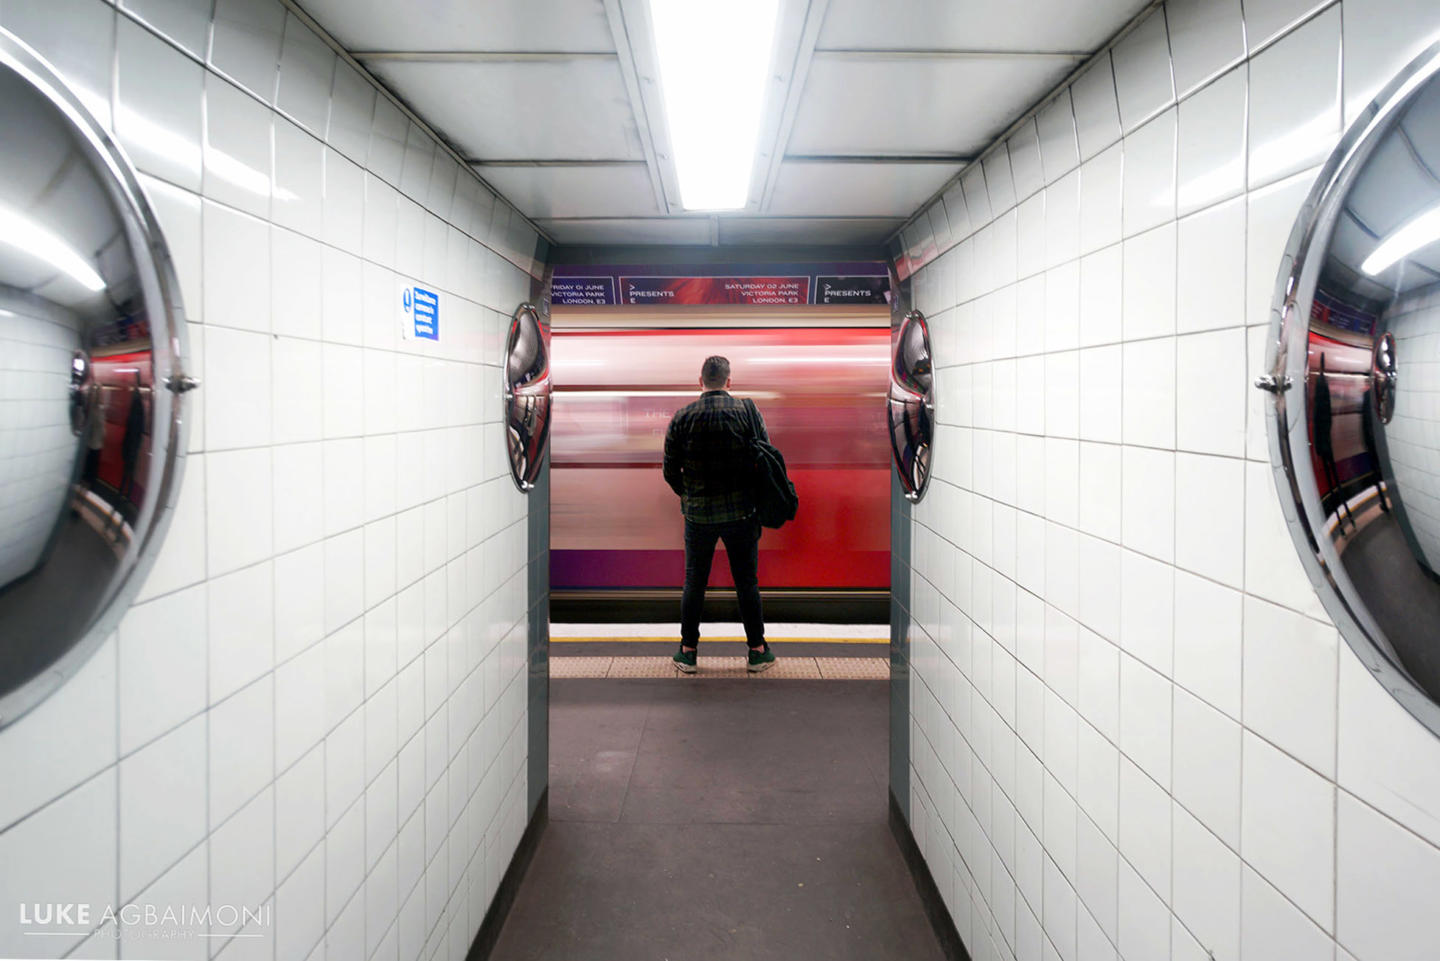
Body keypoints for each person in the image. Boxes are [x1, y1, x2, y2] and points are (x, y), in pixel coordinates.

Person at [662, 355, 776, 674]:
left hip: (698, 516)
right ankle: (757, 650)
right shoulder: (747, 413)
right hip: (741, 514)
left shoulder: (682, 417)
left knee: (694, 582)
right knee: (746, 583)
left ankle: (688, 652)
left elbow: (670, 470)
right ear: (729, 381)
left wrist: (688, 493)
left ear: (700, 383)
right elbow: (764, 457)